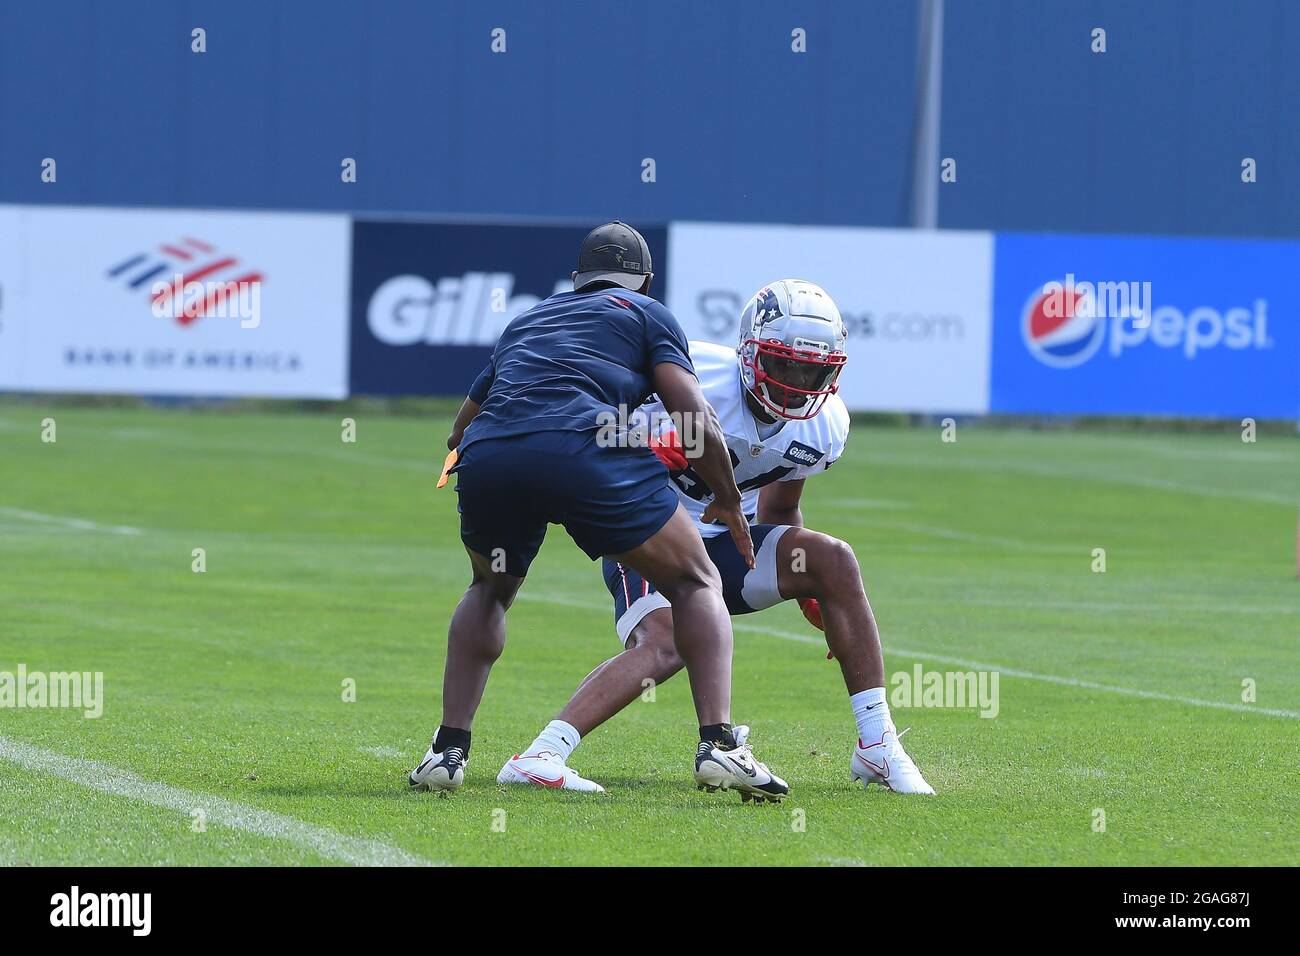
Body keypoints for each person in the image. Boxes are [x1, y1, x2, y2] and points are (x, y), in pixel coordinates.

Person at [495, 279, 935, 795]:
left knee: (834, 560)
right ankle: (543, 753)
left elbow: (781, 507)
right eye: (783, 364)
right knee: (666, 642)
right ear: (748, 355)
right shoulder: (691, 375)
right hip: (644, 532)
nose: (796, 382)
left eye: (811, 369)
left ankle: (877, 745)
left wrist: (810, 589)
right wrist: (643, 441)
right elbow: (593, 429)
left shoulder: (824, 426)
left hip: (726, 544)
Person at [408, 222, 788, 801]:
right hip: (589, 444)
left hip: (491, 453)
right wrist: (730, 498)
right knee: (694, 580)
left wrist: (474, 462)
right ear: (645, 281)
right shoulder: (647, 313)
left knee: (487, 590)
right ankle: (720, 745)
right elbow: (695, 418)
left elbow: (461, 426)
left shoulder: (529, 320)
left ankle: (447, 752)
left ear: (576, 278)